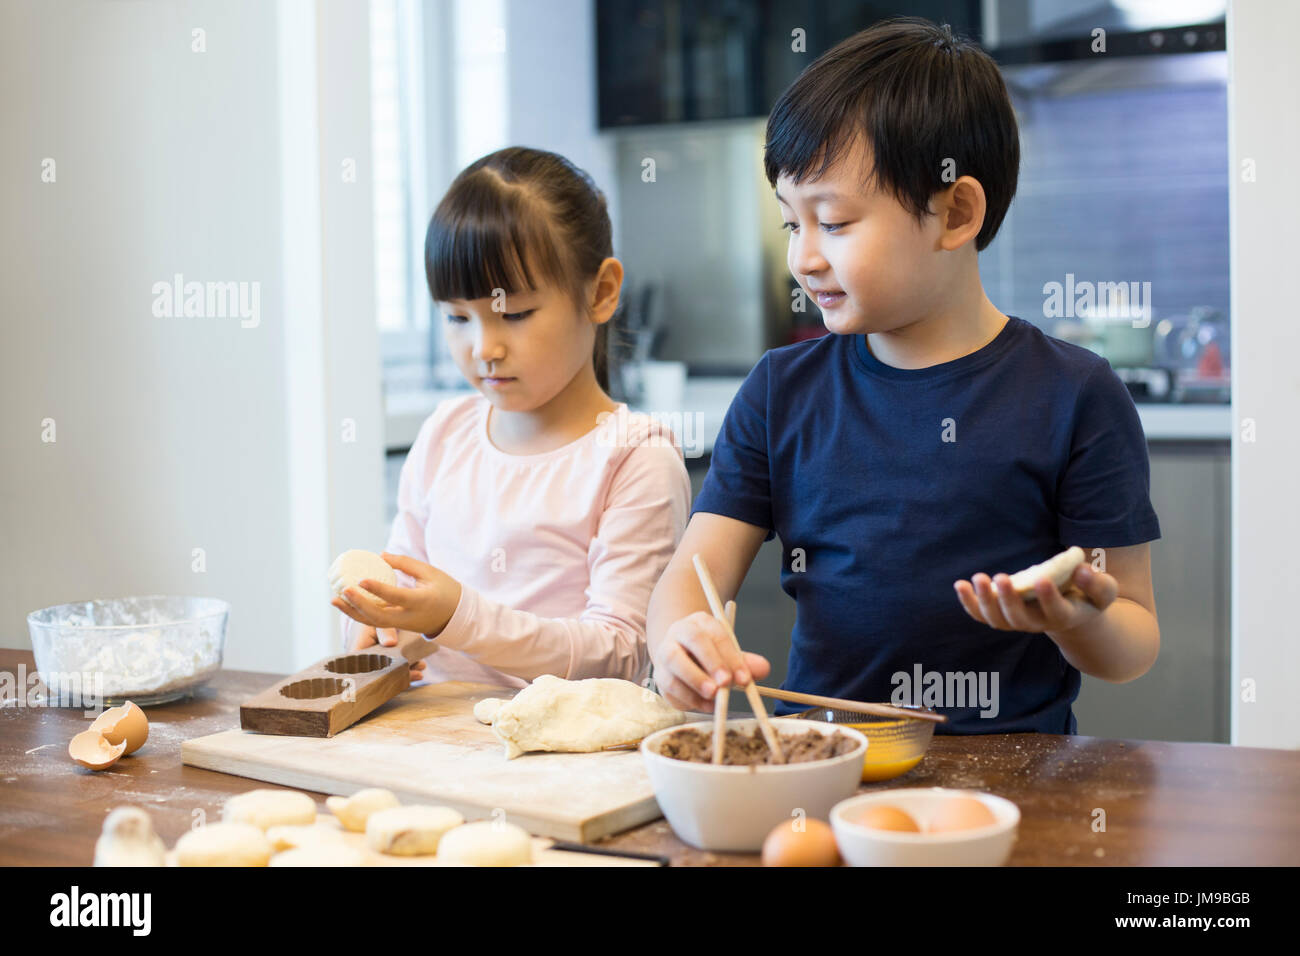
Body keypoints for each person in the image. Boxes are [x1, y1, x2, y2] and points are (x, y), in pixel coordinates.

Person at [645, 19, 1161, 734]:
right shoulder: (779, 391)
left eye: (834, 222)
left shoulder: (1075, 394)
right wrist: (679, 640)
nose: (803, 258)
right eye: (792, 223)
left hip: (1013, 777)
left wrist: (1075, 622)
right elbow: (692, 575)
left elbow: (1132, 641)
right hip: (823, 759)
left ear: (955, 212)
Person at [334, 147, 691, 690]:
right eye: (457, 317)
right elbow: (402, 587)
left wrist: (454, 617)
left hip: (569, 764)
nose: (484, 348)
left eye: (516, 314)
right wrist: (384, 630)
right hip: (438, 748)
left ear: (600, 292)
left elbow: (619, 655)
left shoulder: (634, 459)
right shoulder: (444, 436)